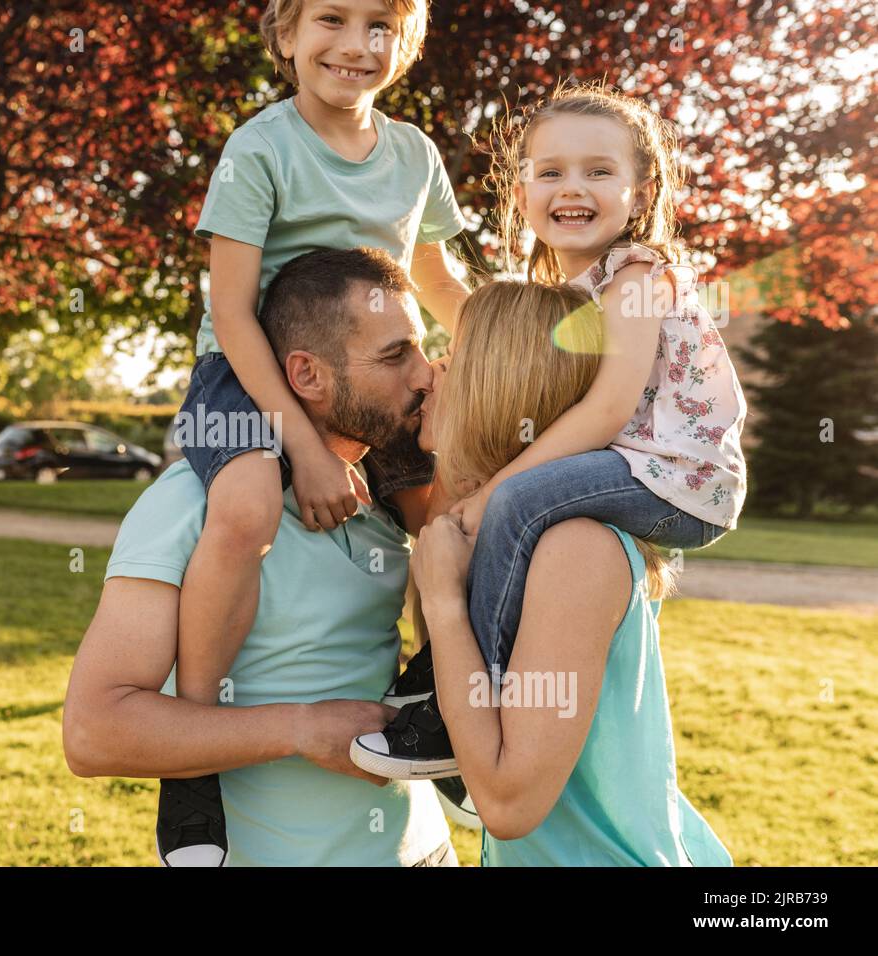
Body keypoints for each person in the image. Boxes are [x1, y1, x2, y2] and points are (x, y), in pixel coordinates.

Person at [352, 83, 747, 796]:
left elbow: (605, 410)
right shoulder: (573, 288)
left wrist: (495, 494)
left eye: (600, 171)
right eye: (552, 171)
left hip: (678, 481)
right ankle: (444, 687)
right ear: (521, 187)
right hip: (643, 471)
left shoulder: (634, 277)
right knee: (502, 511)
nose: (574, 188)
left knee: (515, 507)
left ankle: (457, 701)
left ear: (643, 188)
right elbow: (472, 316)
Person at [162, 0, 471, 864]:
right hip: (247, 367)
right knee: (250, 506)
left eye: (381, 25)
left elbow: (440, 280)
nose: (356, 44)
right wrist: (298, 443)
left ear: (404, 44)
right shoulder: (261, 147)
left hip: (370, 370)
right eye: (331, 18)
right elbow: (230, 307)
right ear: (286, 35)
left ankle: (431, 700)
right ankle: (191, 760)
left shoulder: (414, 155)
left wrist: (513, 340)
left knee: (456, 515)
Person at [63, 247, 455, 866]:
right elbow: (94, 731)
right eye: (394, 354)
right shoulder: (194, 505)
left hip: (424, 850)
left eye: (420, 349)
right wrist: (300, 729)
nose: (425, 374)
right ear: (307, 376)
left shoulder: (386, 498)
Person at [363, 279, 734, 865]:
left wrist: (444, 605)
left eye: (454, 358)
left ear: (501, 389)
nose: (431, 372)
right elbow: (466, 728)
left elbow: (508, 806)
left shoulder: (574, 548)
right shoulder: (512, 544)